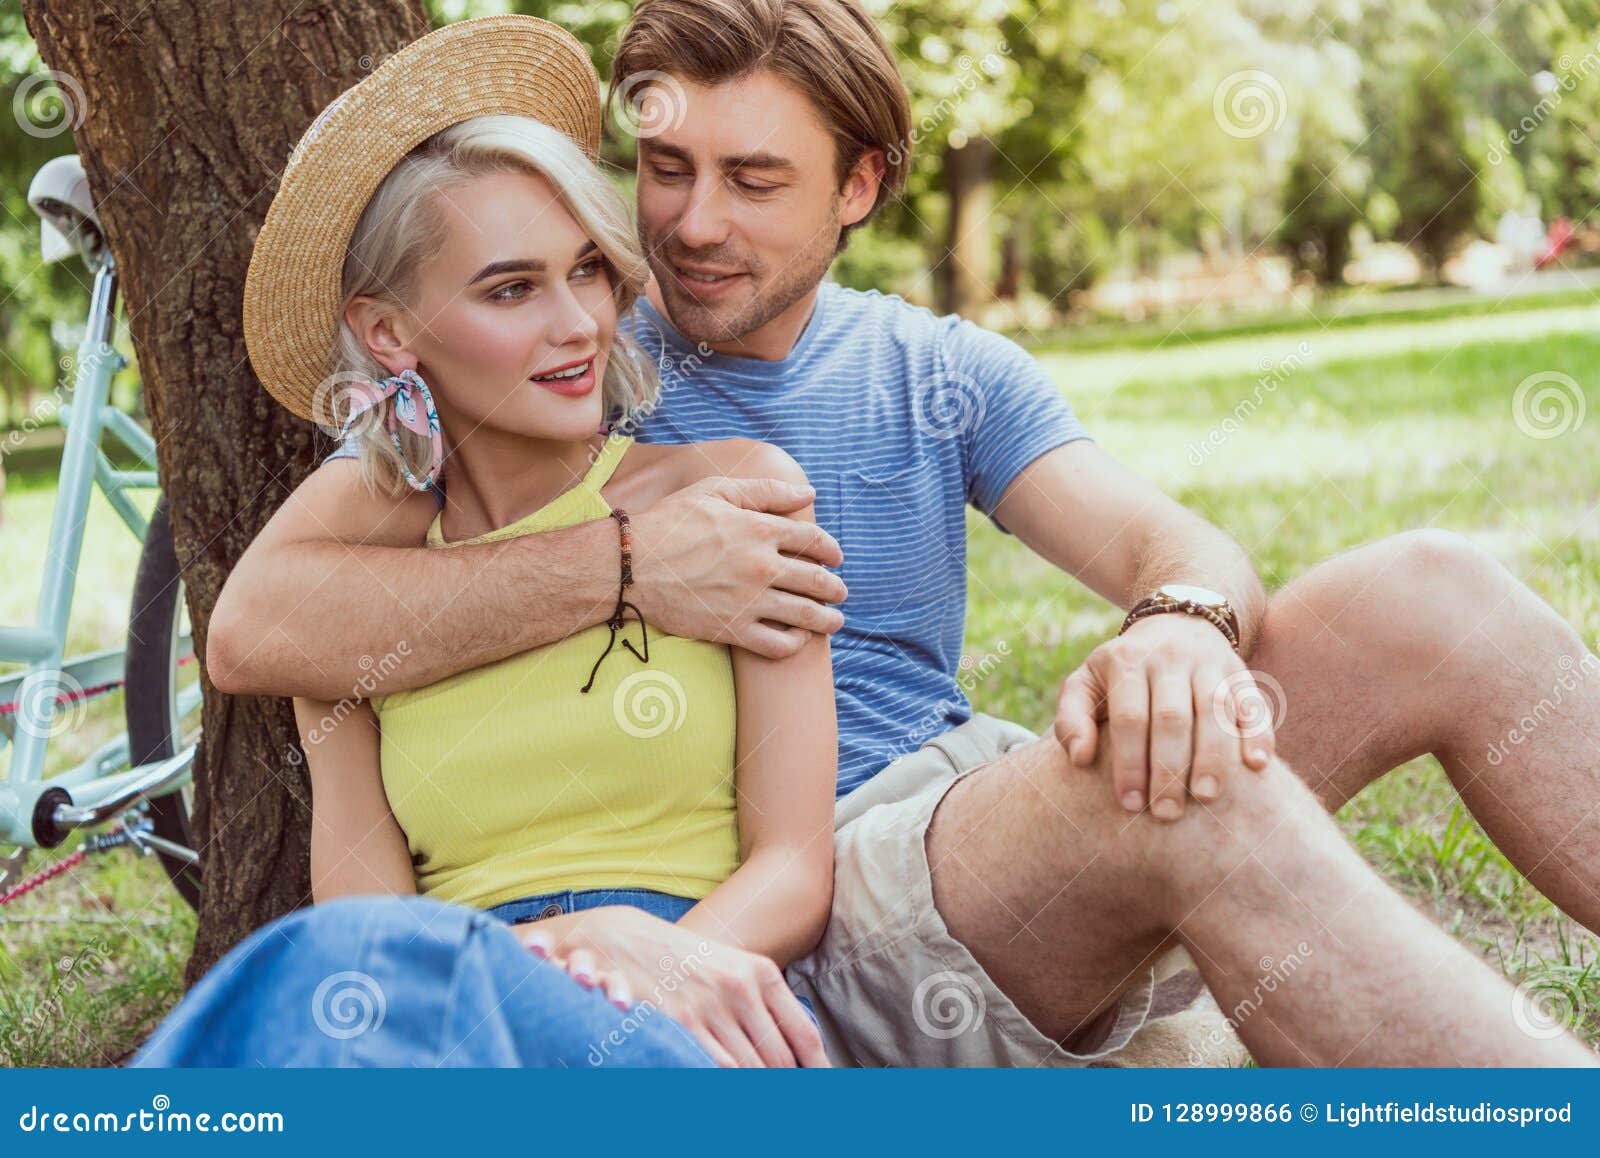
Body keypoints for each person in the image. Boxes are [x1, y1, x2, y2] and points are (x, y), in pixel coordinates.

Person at [204, 2, 1600, 1067]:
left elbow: (1174, 547)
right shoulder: (537, 345)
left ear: (857, 188)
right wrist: (628, 567)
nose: (689, 227)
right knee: (1172, 794)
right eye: (666, 169)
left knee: (1438, 595)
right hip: (845, 866)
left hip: (974, 812)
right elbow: (270, 626)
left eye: (755, 181)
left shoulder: (938, 371)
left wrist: (1178, 627)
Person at [137, 15, 833, 1069]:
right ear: (387, 335)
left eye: (588, 271)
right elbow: (366, 931)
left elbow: (794, 866)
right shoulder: (355, 606)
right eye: (512, 289)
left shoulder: (734, 495)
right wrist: (550, 953)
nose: (578, 324)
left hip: (692, 998)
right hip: (441, 1013)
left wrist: (636, 966)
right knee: (300, 1002)